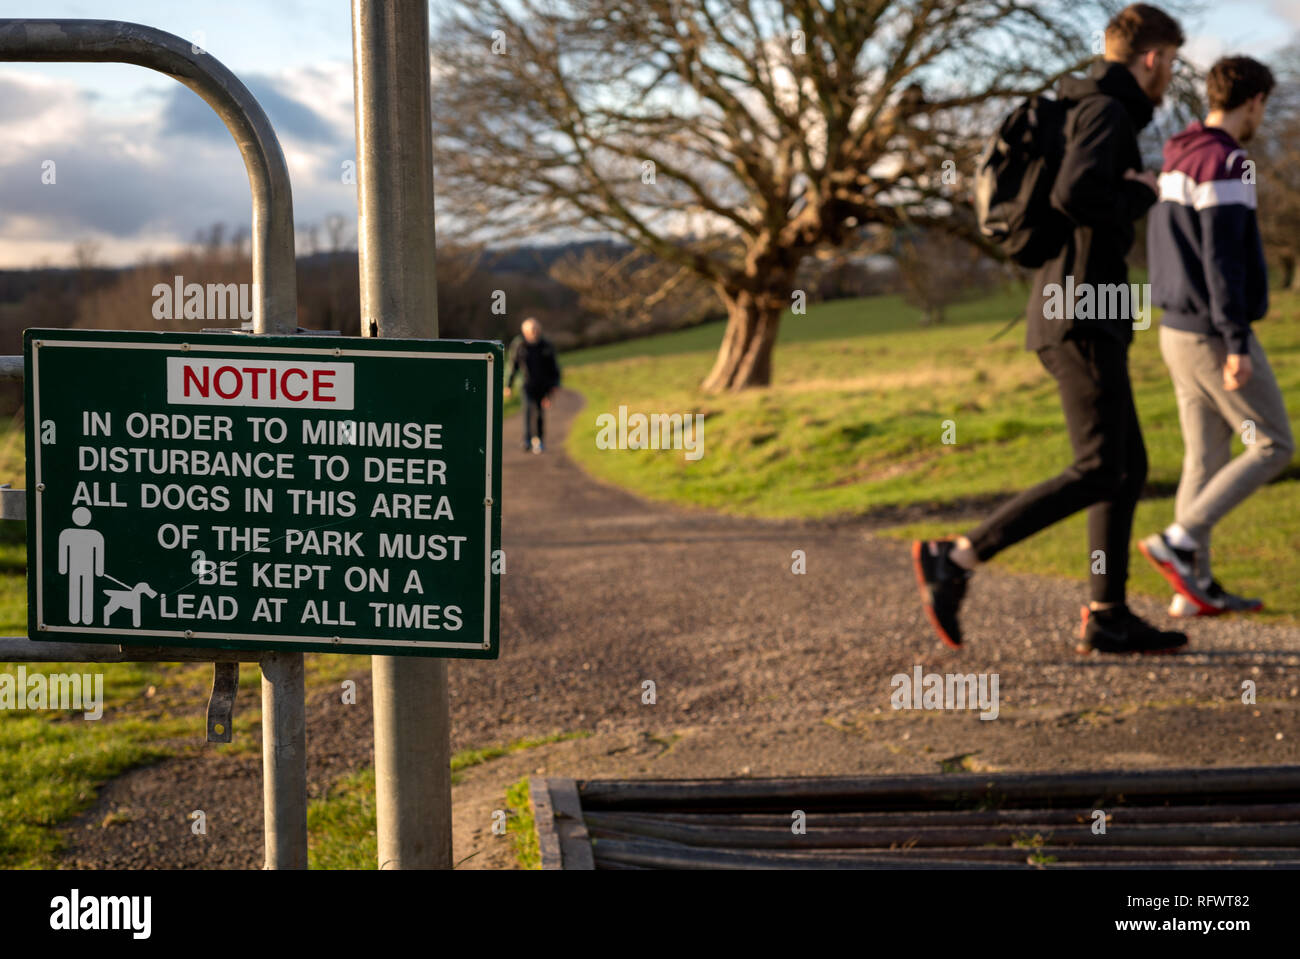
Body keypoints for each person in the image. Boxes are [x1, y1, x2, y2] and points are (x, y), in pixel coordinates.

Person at [913, 4, 1189, 654]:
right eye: (1170, 63)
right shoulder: (1107, 109)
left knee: (1126, 466)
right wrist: (1143, 191)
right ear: (1151, 57)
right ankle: (955, 557)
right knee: (1101, 464)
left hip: (1078, 306)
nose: (1169, 77)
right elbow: (1075, 194)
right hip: (1081, 309)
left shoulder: (1086, 104)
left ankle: (1106, 612)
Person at [1138, 56, 1294, 617]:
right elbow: (1221, 259)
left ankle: (1192, 588)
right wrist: (1235, 341)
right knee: (1274, 442)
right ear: (1253, 101)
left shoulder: (1178, 152)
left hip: (1174, 329)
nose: (1262, 115)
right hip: (1211, 332)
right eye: (1264, 105)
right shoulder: (1227, 162)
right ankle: (1180, 542)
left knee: (1203, 458)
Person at [504, 317, 562, 453]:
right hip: (526, 385)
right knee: (528, 410)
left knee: (540, 412)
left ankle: (539, 439)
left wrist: (555, 385)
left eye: (536, 329)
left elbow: (554, 367)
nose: (535, 332)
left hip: (544, 385)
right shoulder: (519, 345)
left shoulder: (546, 345)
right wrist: (508, 385)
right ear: (525, 332)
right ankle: (527, 439)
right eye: (532, 330)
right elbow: (513, 366)